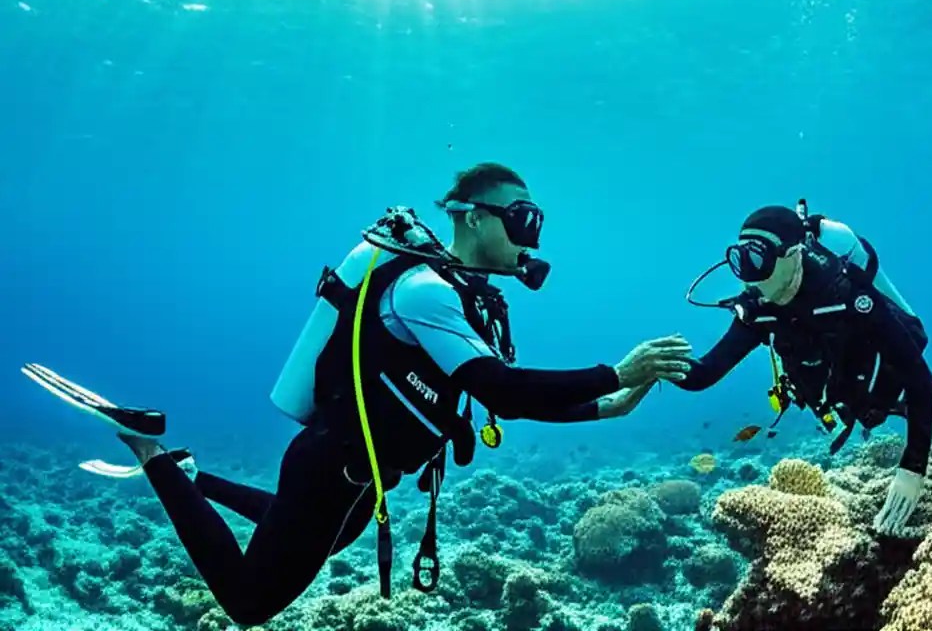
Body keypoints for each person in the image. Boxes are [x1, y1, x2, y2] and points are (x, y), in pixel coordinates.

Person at [21, 162, 693, 626]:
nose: (531, 235)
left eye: (536, 220)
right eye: (521, 217)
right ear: (472, 217)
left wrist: (611, 404)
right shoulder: (426, 291)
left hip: (361, 477)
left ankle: (198, 477)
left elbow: (491, 398)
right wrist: (617, 372)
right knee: (249, 603)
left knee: (329, 544)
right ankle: (152, 453)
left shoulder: (472, 301)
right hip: (329, 467)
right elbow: (503, 391)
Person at [677, 200, 932, 536]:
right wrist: (641, 370)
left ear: (793, 253)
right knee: (871, 409)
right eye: (741, 261)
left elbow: (915, 377)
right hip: (844, 391)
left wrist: (912, 469)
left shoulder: (850, 295)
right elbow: (703, 374)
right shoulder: (759, 308)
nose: (749, 278)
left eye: (760, 260)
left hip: (885, 373)